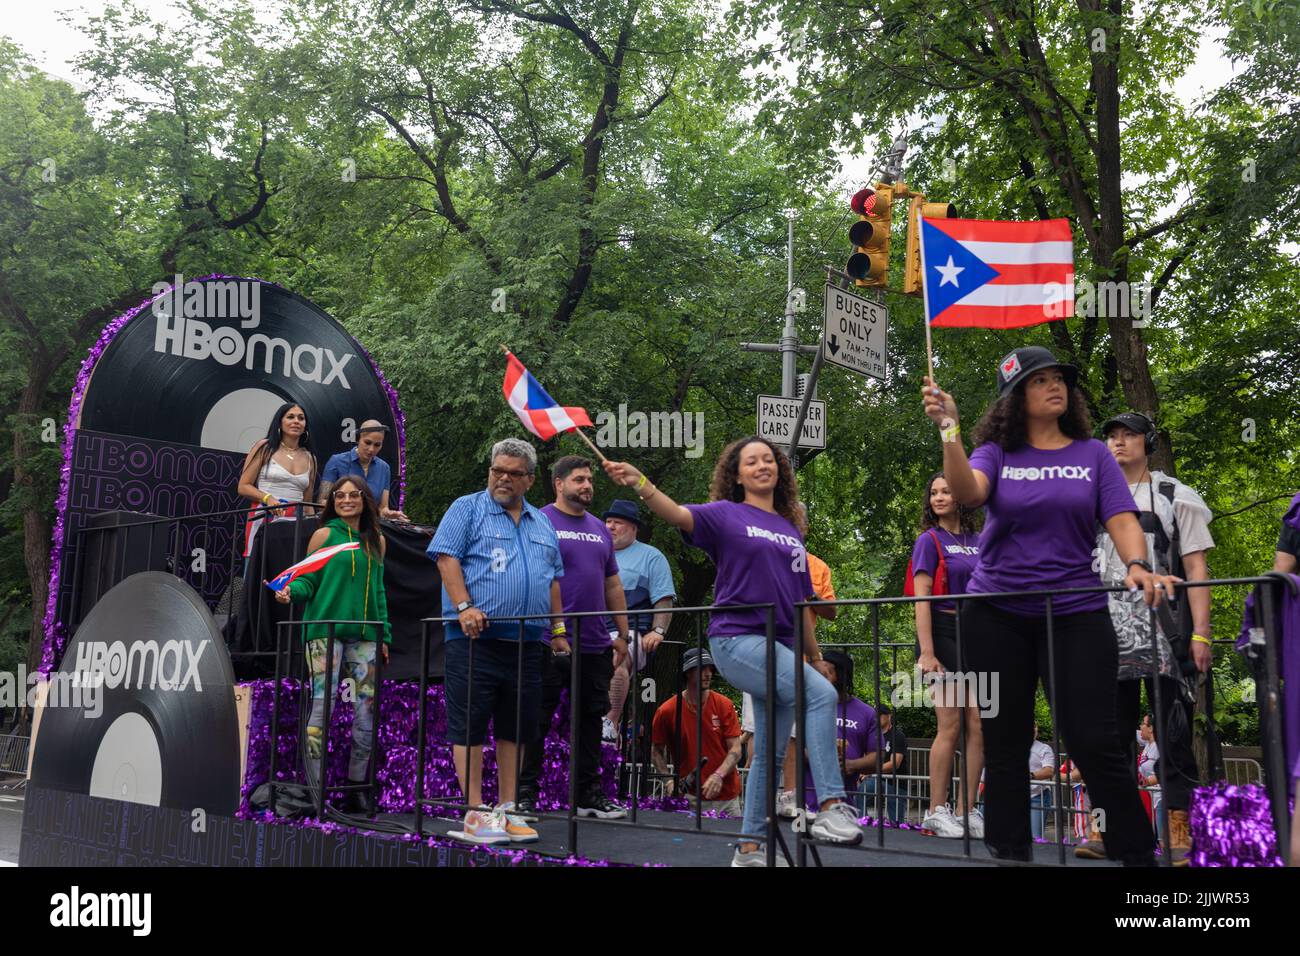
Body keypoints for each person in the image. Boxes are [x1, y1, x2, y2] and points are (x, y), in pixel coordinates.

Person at [921, 346, 1177, 865]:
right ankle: (1010, 853)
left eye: (1059, 378)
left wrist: (1136, 564)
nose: (1055, 386)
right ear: (1015, 397)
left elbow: (1122, 518)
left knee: (1094, 738)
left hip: (1075, 610)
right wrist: (950, 429)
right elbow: (969, 492)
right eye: (1040, 381)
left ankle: (1137, 856)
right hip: (996, 614)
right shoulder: (996, 450)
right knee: (1005, 740)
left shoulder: (1092, 455)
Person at [602, 437, 864, 867]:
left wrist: (815, 657)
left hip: (781, 646)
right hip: (736, 639)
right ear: (737, 474)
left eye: (769, 459)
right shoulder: (726, 515)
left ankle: (748, 848)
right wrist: (641, 483)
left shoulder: (789, 529)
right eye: (751, 461)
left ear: (779, 470)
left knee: (772, 752)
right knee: (818, 694)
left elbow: (802, 606)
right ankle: (833, 806)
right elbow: (679, 514)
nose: (762, 465)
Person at [427, 438, 563, 845]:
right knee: (470, 723)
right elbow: (446, 557)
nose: (503, 478)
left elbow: (553, 578)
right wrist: (464, 605)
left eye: (513, 473)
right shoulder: (467, 508)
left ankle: (507, 809)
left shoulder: (542, 523)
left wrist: (557, 632)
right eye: (497, 470)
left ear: (530, 480)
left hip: (527, 641)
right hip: (475, 638)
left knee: (516, 727)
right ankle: (474, 811)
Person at [1096, 411, 1213, 865]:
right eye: (1112, 435)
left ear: (1148, 442)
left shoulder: (1175, 494)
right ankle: (1109, 832)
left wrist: (1201, 634)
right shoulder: (1091, 498)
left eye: (1128, 435)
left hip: (1166, 635)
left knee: (1175, 737)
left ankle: (1180, 834)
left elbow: (1198, 568)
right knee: (1108, 741)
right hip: (1105, 636)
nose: (1119, 442)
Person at [517, 456, 630, 819]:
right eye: (579, 479)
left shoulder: (600, 528)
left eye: (590, 480)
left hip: (596, 641)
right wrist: (552, 629)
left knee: (590, 721)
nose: (587, 485)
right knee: (536, 718)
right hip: (549, 638)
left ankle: (586, 796)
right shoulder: (538, 520)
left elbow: (612, 582)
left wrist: (623, 633)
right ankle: (523, 795)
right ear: (558, 484)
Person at [274, 476, 390, 815]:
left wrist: (386, 635)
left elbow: (380, 592)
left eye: (354, 495)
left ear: (365, 500)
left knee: (366, 711)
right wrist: (290, 593)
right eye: (340, 495)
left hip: (365, 635)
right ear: (333, 501)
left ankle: (356, 789)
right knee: (324, 707)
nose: (347, 500)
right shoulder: (325, 535)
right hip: (324, 632)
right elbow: (307, 578)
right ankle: (315, 788)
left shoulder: (377, 542)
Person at [910, 470, 985, 838]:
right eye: (934, 492)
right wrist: (927, 653)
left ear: (960, 497)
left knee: (981, 723)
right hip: (940, 632)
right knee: (951, 723)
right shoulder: (929, 539)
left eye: (946, 491)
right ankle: (936, 810)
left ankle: (967, 810)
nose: (939, 497)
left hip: (976, 633)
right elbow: (921, 598)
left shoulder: (979, 538)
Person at [601, 498, 676, 742]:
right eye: (608, 521)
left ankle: (609, 722)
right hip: (592, 628)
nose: (610, 526)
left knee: (617, 653)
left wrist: (658, 631)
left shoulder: (651, 557)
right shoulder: (596, 551)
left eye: (617, 522)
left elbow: (664, 599)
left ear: (634, 528)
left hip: (632, 630)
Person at [650, 647, 743, 815]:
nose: (708, 673)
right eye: (701, 668)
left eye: (710, 668)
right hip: (691, 798)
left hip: (728, 798)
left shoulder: (724, 705)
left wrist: (718, 775)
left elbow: (735, 750)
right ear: (687, 672)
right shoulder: (667, 710)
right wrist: (669, 781)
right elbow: (656, 751)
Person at [237, 402, 318, 556]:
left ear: (305, 425)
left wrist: (311, 530)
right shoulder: (265, 447)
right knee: (258, 571)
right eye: (290, 417)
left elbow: (307, 505)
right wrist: (269, 499)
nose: (296, 421)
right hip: (265, 519)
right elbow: (243, 486)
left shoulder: (310, 458)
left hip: (295, 526)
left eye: (301, 418)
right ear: (280, 422)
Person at [319, 419, 408, 521]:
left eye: (377, 445)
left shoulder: (384, 468)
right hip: (340, 525)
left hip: (370, 528)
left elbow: (382, 508)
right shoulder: (336, 461)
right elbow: (322, 502)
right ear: (358, 439)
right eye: (367, 442)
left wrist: (389, 514)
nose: (371, 449)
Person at [862, 704, 908, 823]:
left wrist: (870, 771)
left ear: (889, 716)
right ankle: (862, 822)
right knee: (860, 791)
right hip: (877, 779)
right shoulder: (873, 735)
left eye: (880, 715)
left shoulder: (898, 735)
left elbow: (894, 764)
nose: (876, 717)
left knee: (897, 821)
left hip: (896, 782)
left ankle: (898, 831)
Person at [1028, 722, 1055, 840]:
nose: (1033, 729)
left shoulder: (1044, 748)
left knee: (1036, 838)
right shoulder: (1012, 747)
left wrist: (1029, 776)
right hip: (1014, 796)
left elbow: (1049, 771)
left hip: (1038, 797)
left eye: (1034, 726)